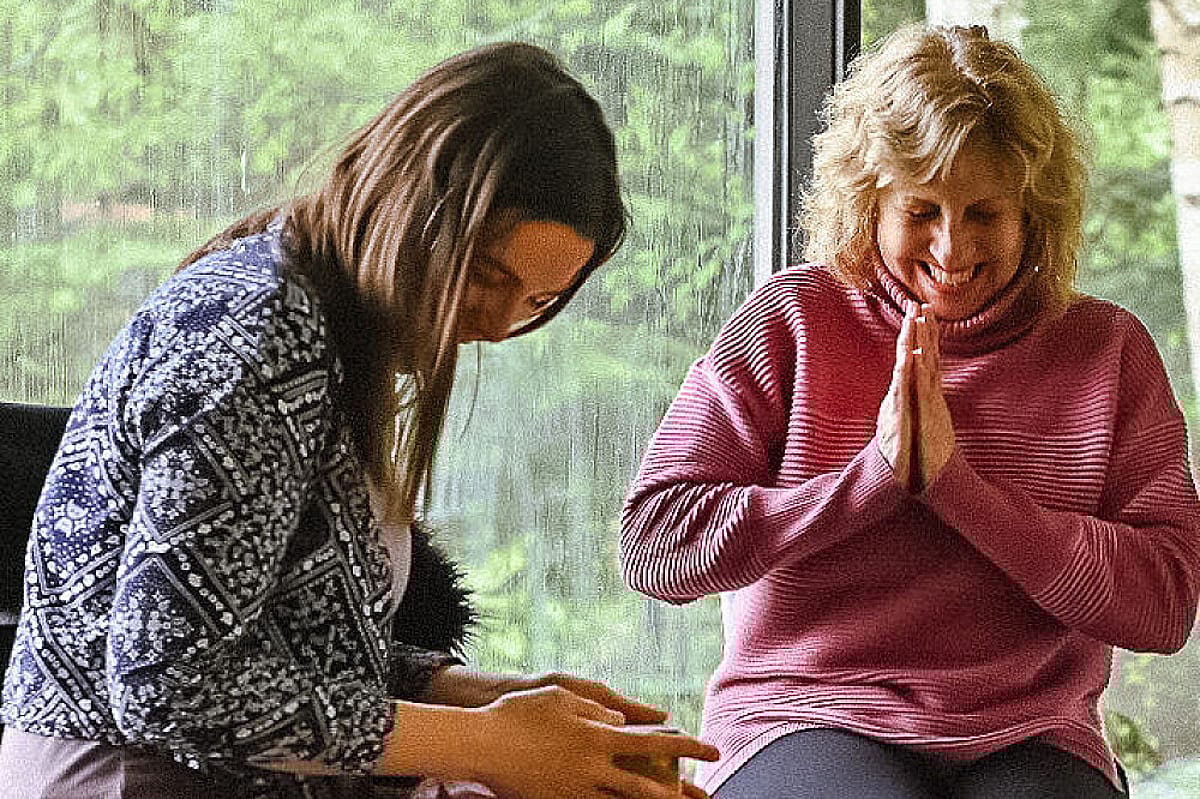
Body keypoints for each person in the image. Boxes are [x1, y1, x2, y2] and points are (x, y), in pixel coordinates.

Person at [0, 41, 718, 799]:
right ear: (415, 203)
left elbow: (286, 641)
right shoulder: (260, 335)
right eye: (487, 275)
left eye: (539, 301)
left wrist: (492, 699)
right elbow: (168, 682)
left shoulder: (327, 325)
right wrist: (488, 743)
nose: (502, 322)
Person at [620, 23, 1200, 799]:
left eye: (984, 214)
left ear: (1034, 212)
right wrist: (871, 481)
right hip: (804, 715)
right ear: (869, 202)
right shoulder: (792, 320)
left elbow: (1163, 605)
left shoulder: (1107, 350)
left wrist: (960, 491)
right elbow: (657, 543)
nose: (953, 248)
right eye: (922, 210)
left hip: (1031, 731)